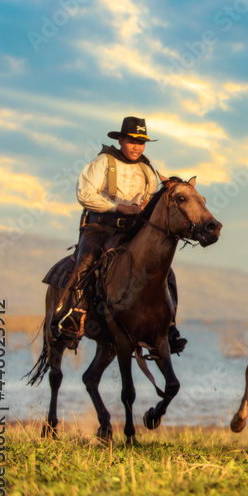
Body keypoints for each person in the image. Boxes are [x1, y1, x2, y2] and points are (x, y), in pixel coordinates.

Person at [54, 116, 187, 352]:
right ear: (121, 140)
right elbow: (85, 194)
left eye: (141, 142)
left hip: (131, 231)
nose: (137, 146)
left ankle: (170, 325)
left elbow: (149, 200)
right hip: (99, 227)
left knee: (165, 272)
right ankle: (73, 317)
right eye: (132, 141)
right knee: (86, 262)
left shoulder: (147, 169)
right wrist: (119, 207)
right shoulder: (102, 162)